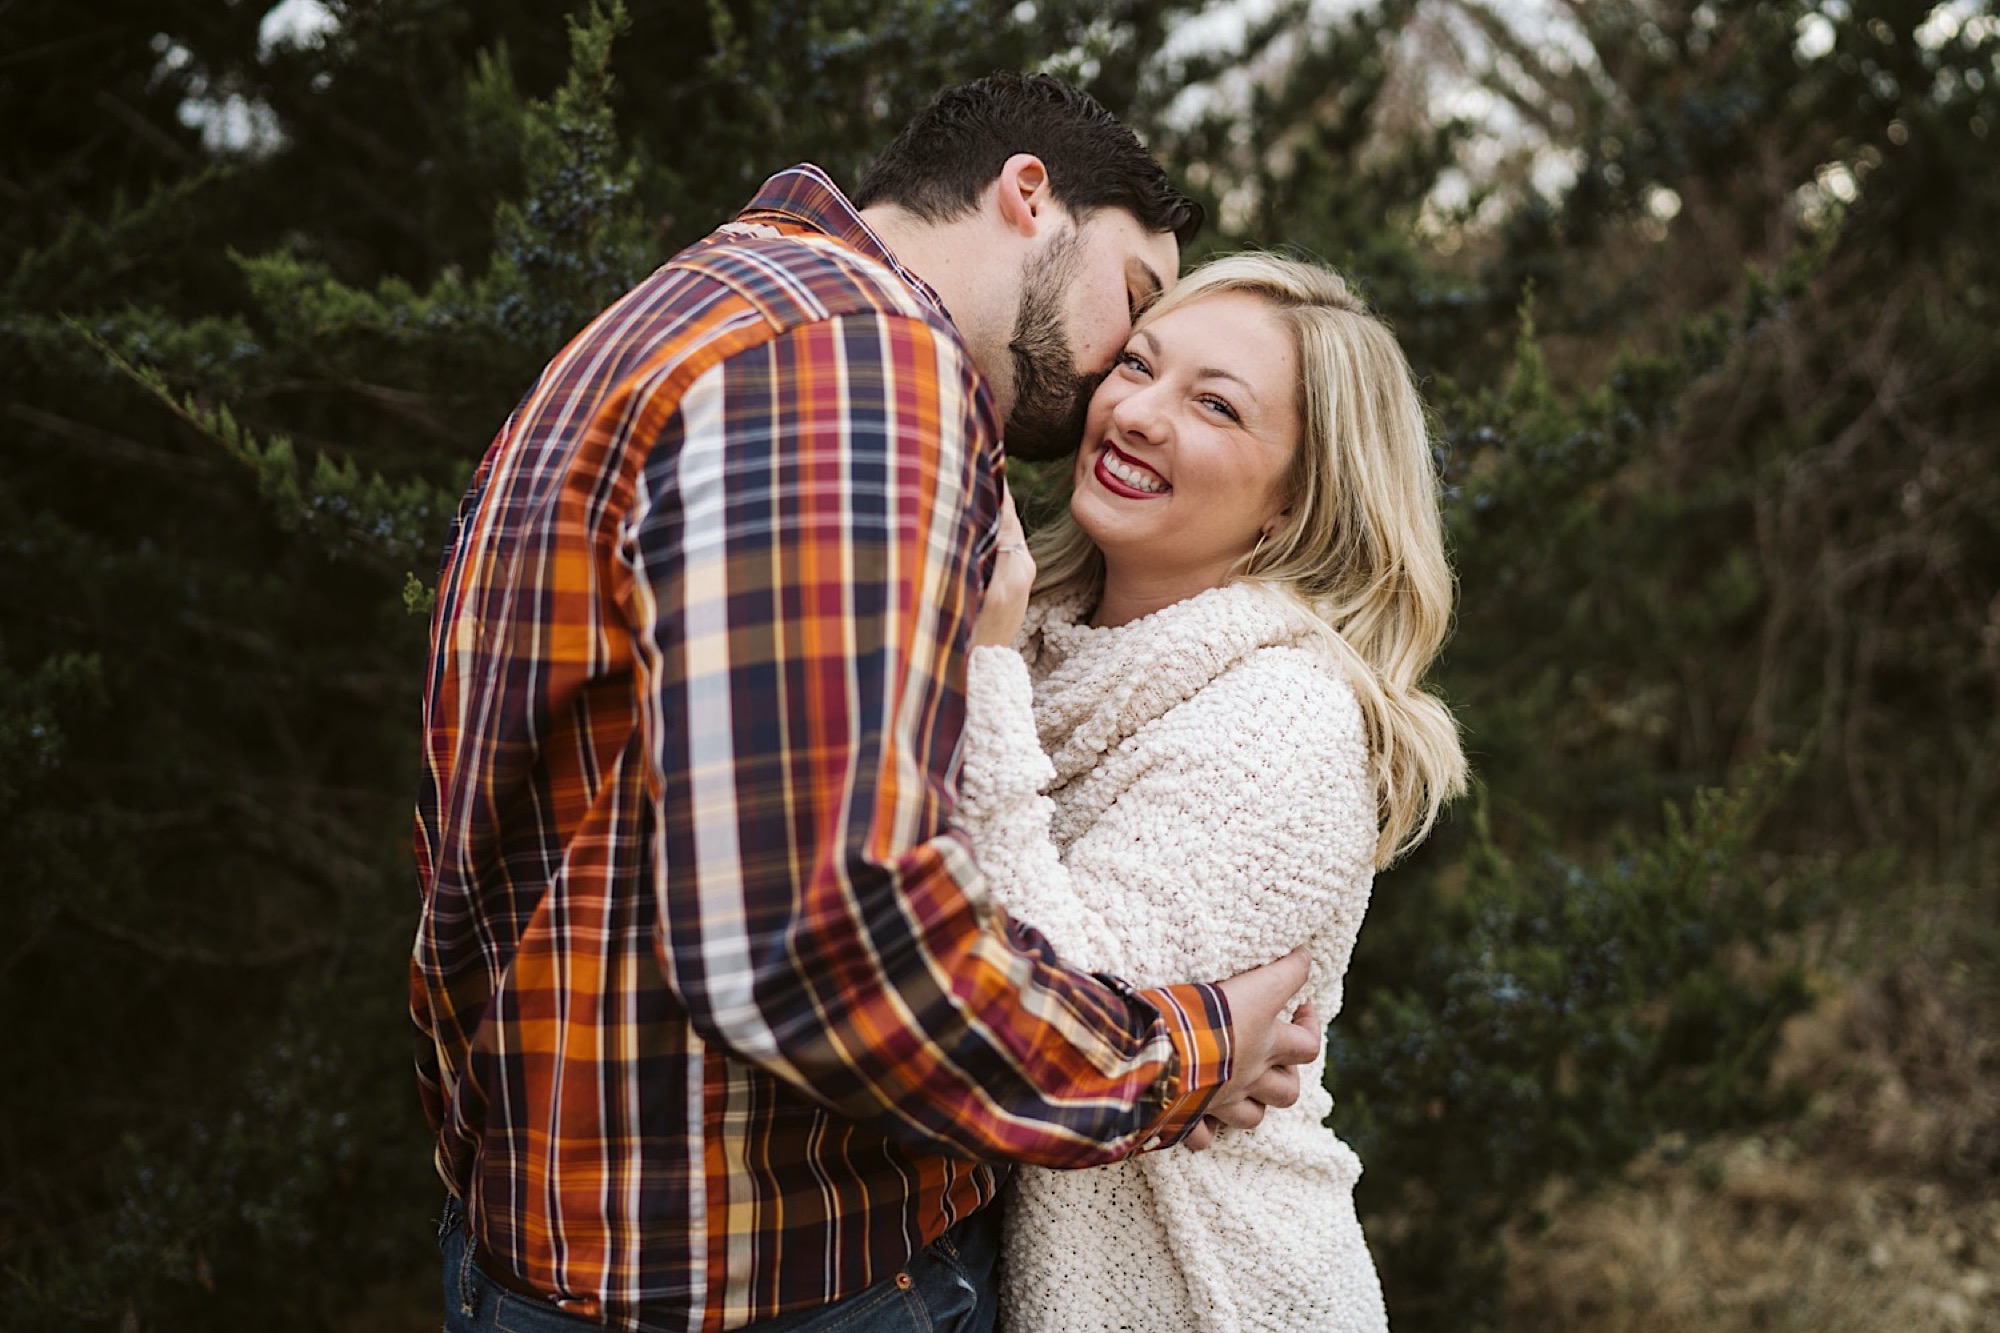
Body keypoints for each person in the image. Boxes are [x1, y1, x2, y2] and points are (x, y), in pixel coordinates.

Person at [410, 74, 1326, 1333]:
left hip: (546, 1238)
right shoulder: (859, 361)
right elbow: (824, 942)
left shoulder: (674, 317)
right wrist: (1182, 1053)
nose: (1119, 373)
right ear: (1027, 196)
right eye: (1136, 303)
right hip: (755, 1271)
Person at [956, 252, 1469, 1331]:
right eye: (1136, 364)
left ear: (1292, 505)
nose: (1136, 412)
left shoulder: (1281, 719)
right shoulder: (1041, 640)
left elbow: (1055, 1021)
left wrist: (989, 673)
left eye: (1214, 406)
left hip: (1209, 1292)